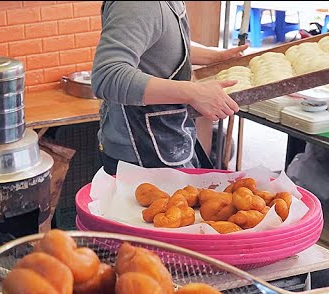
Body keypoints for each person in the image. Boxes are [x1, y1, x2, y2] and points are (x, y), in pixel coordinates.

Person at [91, 1, 247, 174]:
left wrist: (215, 58)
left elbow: (162, 44)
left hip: (167, 139)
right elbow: (107, 76)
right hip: (140, 154)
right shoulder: (138, 5)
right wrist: (193, 93)